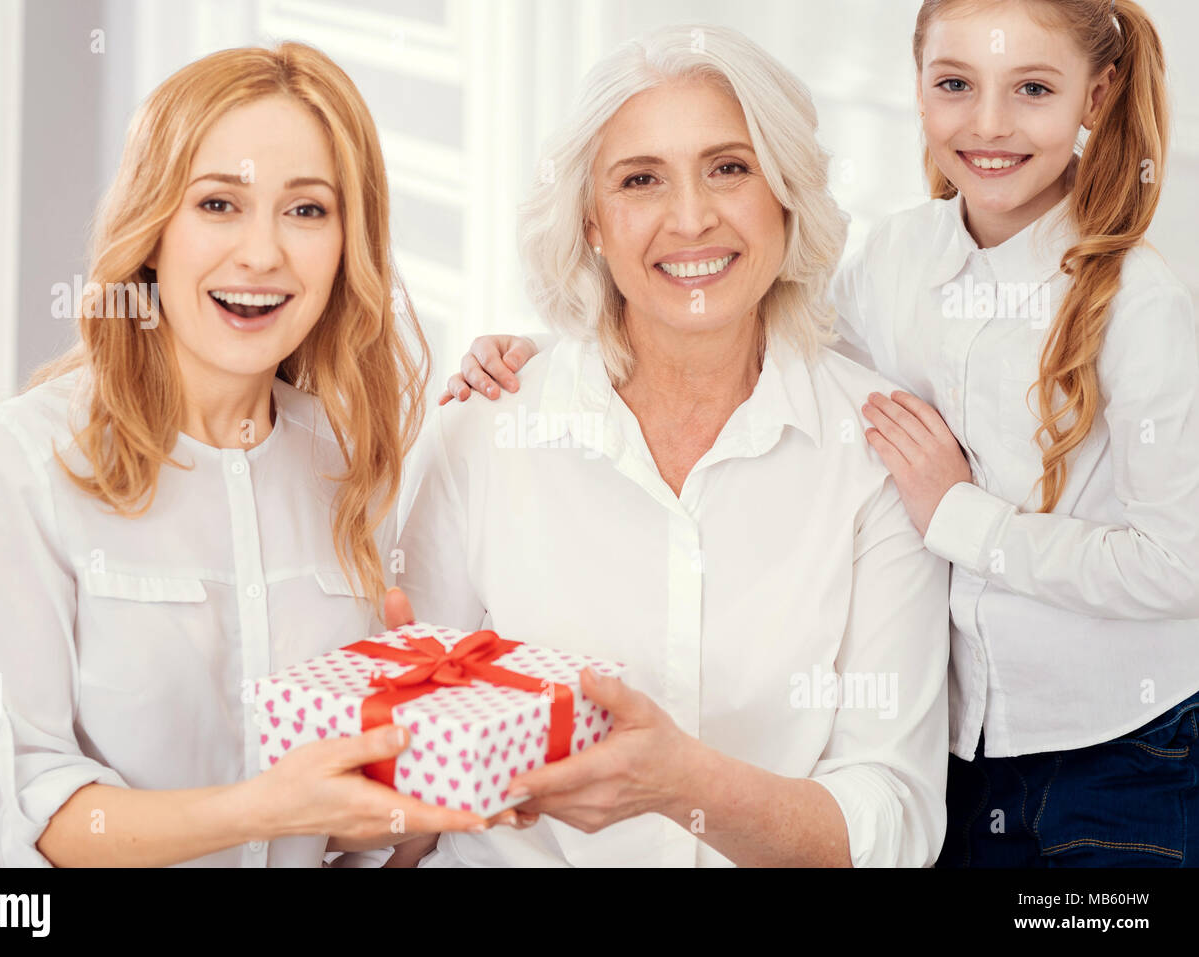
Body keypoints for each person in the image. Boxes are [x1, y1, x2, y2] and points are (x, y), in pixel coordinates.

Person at [452, 0, 1199, 867]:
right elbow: (749, 324)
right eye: (956, 84)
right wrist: (564, 359)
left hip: (1123, 746)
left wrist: (960, 516)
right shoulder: (896, 259)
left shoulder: (1142, 308)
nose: (989, 123)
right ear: (917, 92)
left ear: (1098, 95)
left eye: (1033, 88)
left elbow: (1181, 562)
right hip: (968, 752)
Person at [0, 42, 508, 867]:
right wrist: (262, 810)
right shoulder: (19, 462)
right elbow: (16, 807)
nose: (262, 254)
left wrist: (439, 787)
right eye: (219, 204)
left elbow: (352, 836)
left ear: (347, 246)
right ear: (153, 227)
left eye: (306, 211)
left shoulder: (346, 464)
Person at [397, 23, 950, 867]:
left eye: (729, 168)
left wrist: (687, 784)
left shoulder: (877, 448)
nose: (691, 218)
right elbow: (404, 750)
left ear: (786, 194)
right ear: (591, 222)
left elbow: (895, 816)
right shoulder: (485, 426)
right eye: (641, 180)